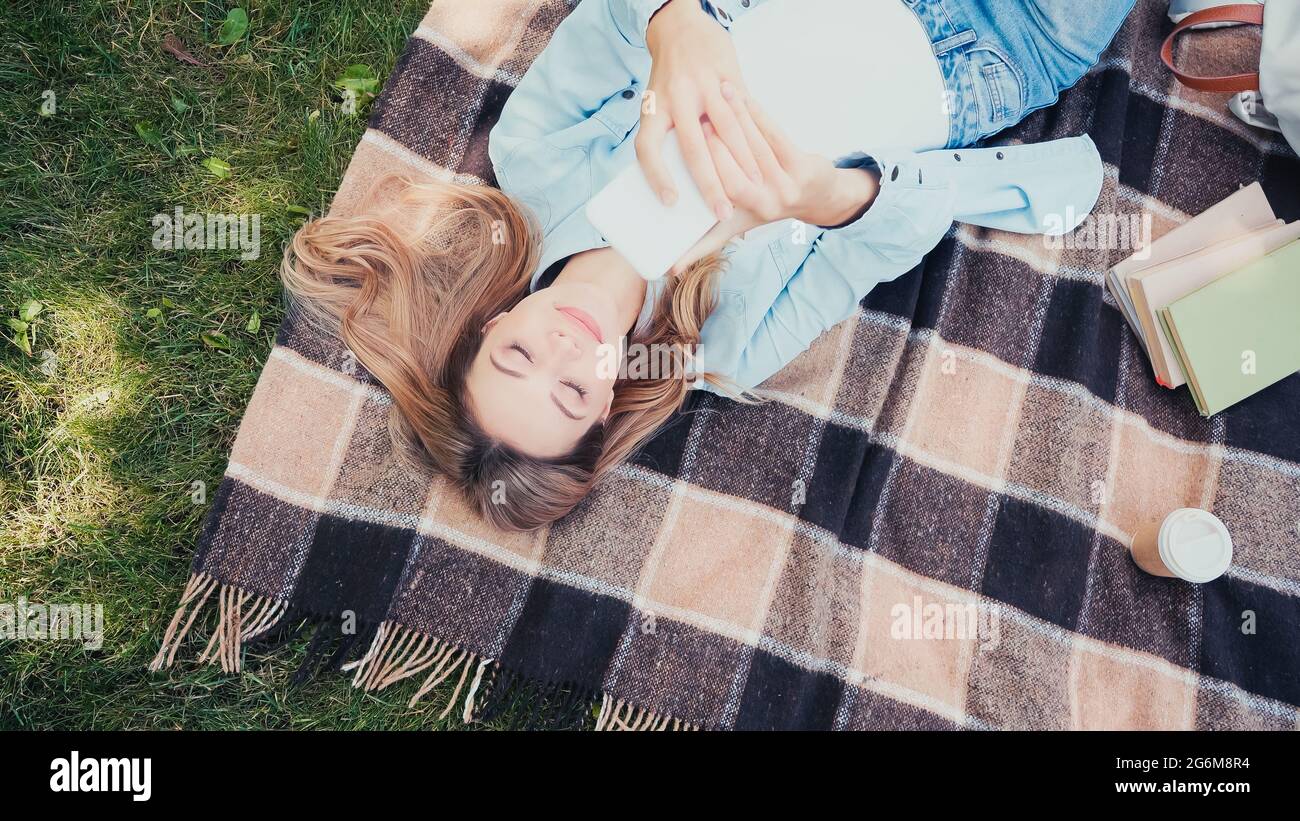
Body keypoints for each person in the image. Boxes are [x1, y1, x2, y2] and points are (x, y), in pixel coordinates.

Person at [282, 0, 1137, 530]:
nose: (568, 350)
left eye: (519, 357)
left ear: (492, 322)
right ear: (607, 399)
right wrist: (821, 195)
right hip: (997, 47)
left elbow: (617, 15)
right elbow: (896, 234)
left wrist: (674, 26)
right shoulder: (725, 343)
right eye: (574, 391)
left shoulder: (534, 156)